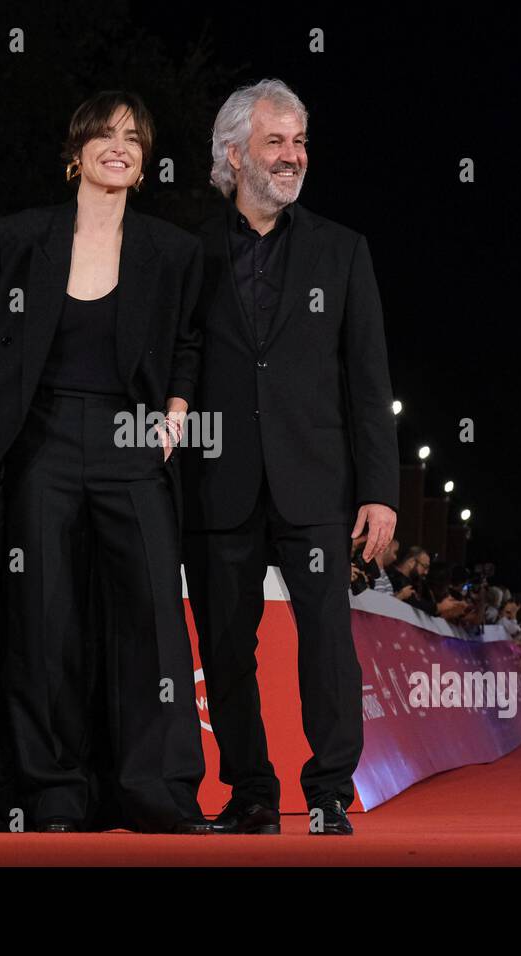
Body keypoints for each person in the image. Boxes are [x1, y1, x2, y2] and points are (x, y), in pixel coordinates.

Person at [0, 90, 210, 835]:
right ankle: (54, 794)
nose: (119, 145)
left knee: (154, 616)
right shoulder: (21, 238)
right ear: (77, 151)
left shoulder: (174, 250)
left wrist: (176, 419)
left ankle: (160, 793)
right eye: (104, 133)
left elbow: (188, 345)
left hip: (132, 441)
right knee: (44, 619)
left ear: (145, 159)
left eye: (133, 136)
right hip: (40, 441)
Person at [179, 79, 400, 836]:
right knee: (225, 650)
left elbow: (370, 384)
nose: (292, 155)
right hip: (216, 485)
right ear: (234, 152)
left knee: (328, 642)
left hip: (316, 486)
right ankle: (250, 793)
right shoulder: (187, 254)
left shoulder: (343, 251)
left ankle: (331, 789)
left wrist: (382, 491)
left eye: (300, 141)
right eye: (277, 141)